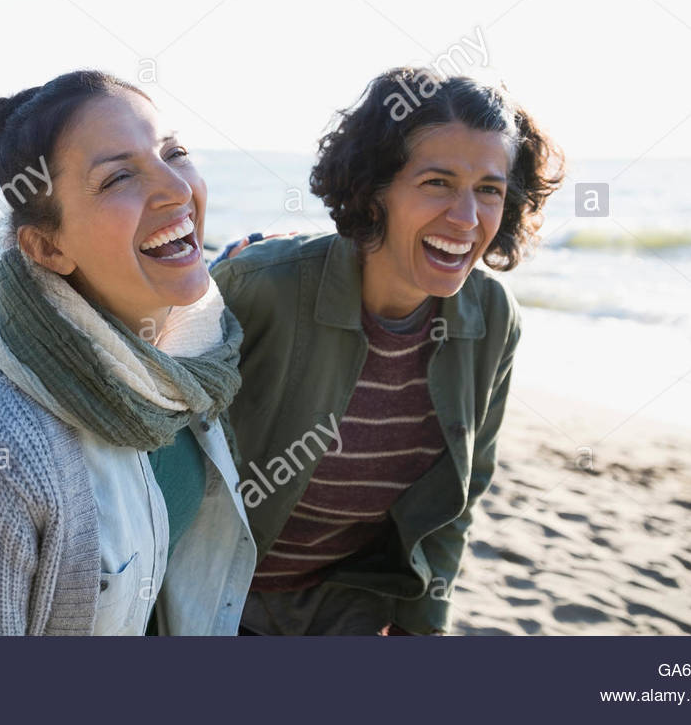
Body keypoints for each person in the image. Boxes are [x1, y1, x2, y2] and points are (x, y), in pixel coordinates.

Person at [0, 70, 256, 635]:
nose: (177, 189)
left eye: (174, 151)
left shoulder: (195, 350)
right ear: (48, 247)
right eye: (117, 178)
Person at [212, 67, 564, 635]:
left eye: (489, 190)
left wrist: (421, 627)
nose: (466, 218)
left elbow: (459, 499)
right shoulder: (262, 288)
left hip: (350, 606)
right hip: (210, 599)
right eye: (437, 183)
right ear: (374, 189)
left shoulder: (493, 318)